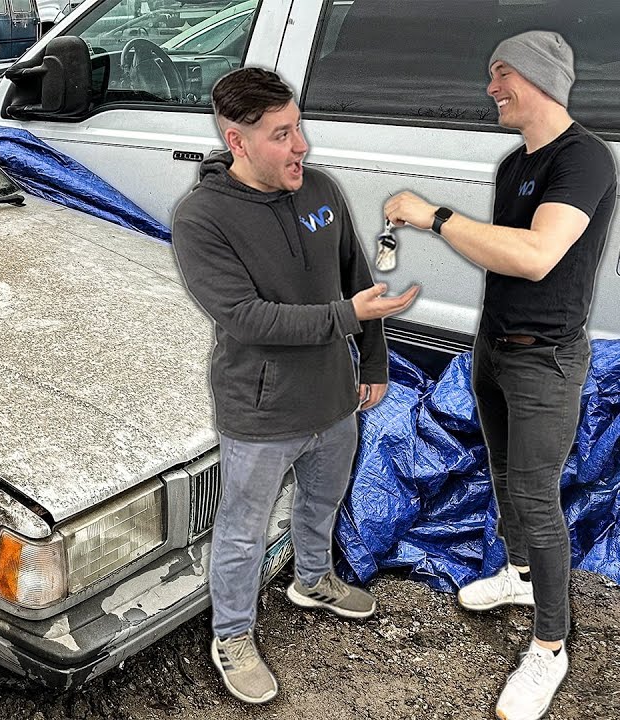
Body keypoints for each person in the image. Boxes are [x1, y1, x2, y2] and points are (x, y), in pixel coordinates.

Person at [385, 30, 615, 720]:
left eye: (501, 74)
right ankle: (517, 576)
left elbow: (539, 254)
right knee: (504, 471)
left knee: (537, 495)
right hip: (496, 347)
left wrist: (434, 217)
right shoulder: (516, 161)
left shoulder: (585, 158)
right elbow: (501, 254)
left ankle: (551, 646)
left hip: (546, 357)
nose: (490, 88)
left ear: (538, 78)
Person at [172, 67, 419, 705]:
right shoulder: (202, 219)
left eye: (299, 128)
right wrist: (352, 319)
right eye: (282, 135)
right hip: (262, 408)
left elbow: (355, 280)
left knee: (322, 502)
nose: (301, 146)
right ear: (238, 141)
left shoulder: (322, 192)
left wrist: (372, 362)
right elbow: (247, 320)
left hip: (335, 399)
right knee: (242, 528)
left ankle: (313, 579)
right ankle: (231, 633)